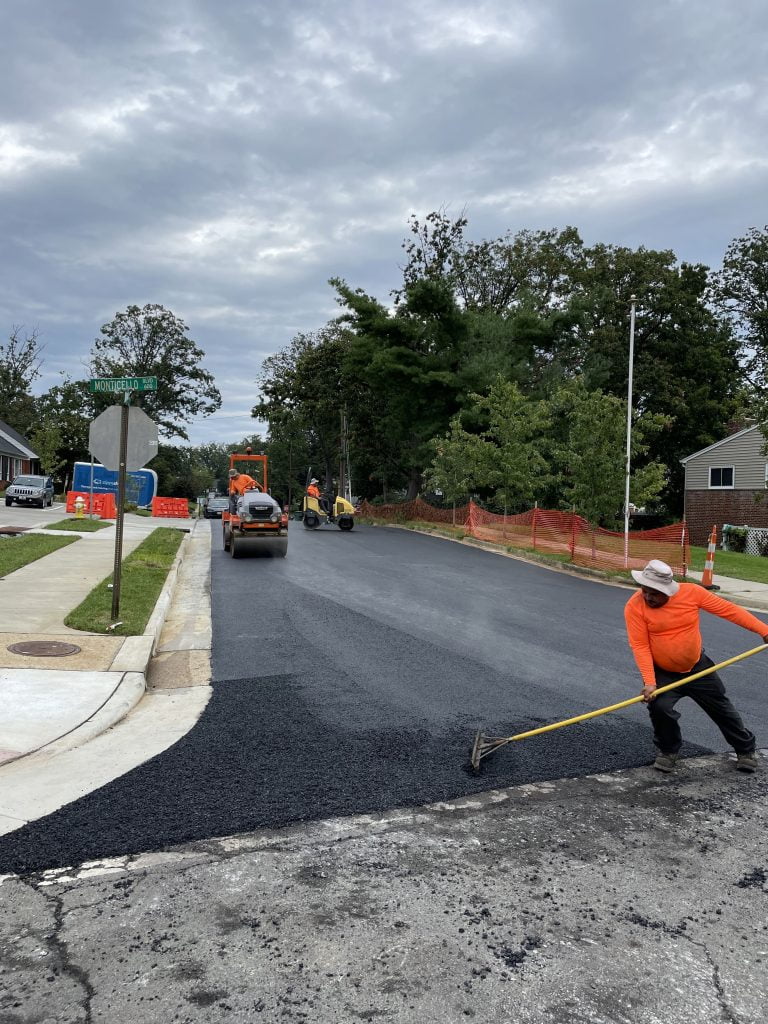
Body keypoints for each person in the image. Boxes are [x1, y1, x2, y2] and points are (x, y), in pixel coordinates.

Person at [624, 558, 766, 774]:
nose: (648, 597)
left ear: (668, 591)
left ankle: (745, 750)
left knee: (722, 708)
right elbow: (640, 645)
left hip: (698, 668)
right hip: (663, 674)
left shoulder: (692, 593)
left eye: (654, 593)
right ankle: (668, 751)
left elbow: (730, 611)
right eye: (645, 591)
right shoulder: (635, 606)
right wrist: (650, 681)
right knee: (660, 708)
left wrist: (764, 630)